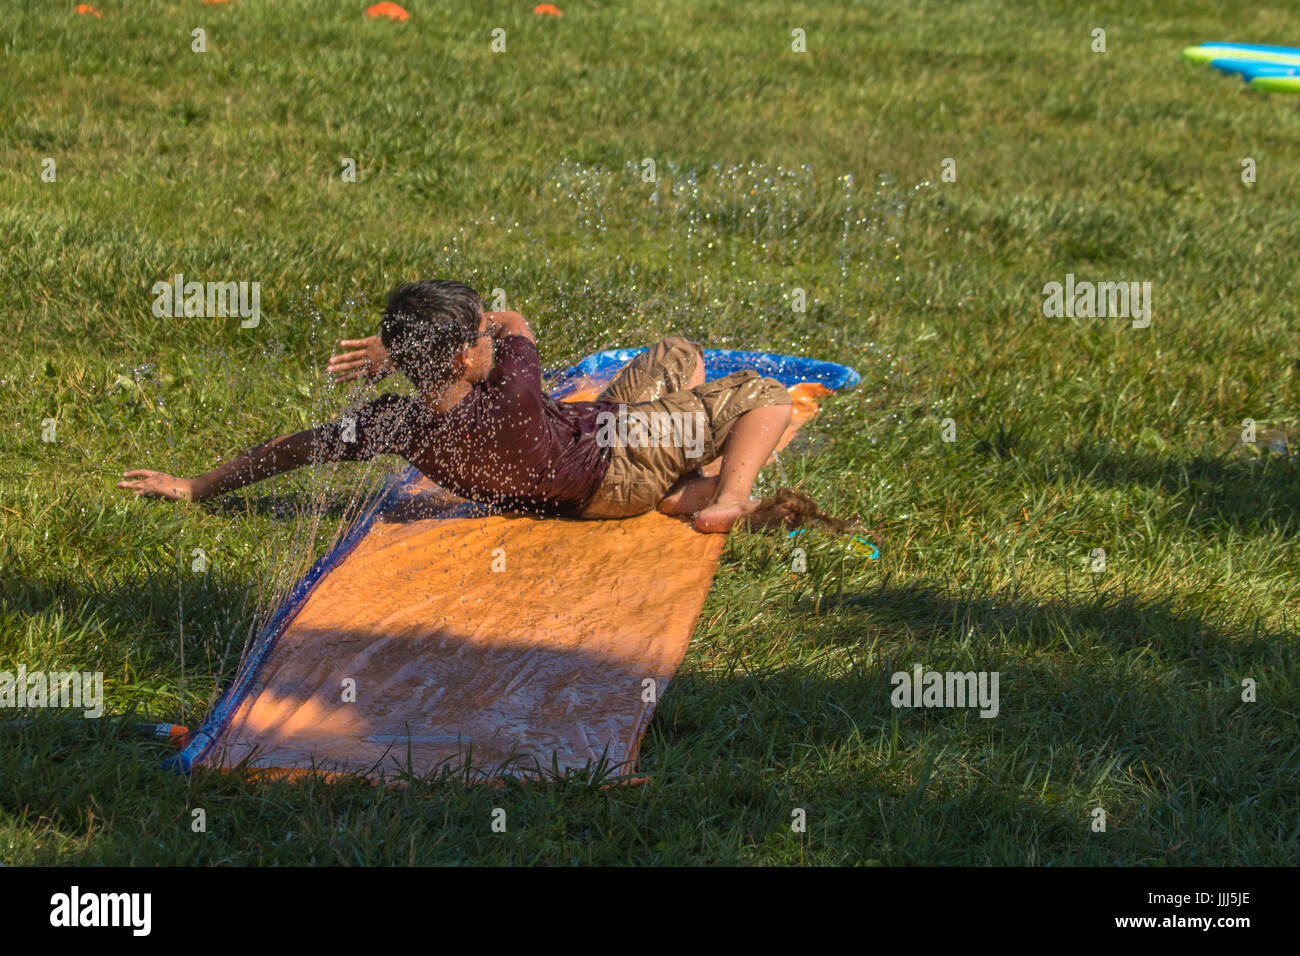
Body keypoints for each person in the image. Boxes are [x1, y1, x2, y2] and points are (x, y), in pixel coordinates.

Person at [119, 279, 807, 533]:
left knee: (674, 355)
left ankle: (682, 489)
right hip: (617, 452)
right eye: (473, 336)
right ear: (462, 358)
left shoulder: (401, 423)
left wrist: (198, 484)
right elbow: (516, 320)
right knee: (759, 395)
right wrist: (476, 328)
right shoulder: (509, 383)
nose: (487, 337)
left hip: (579, 498)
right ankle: (728, 498)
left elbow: (299, 447)